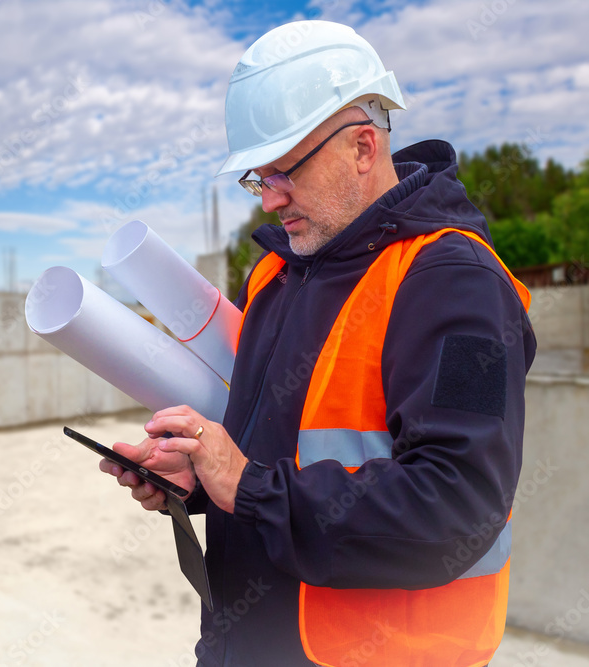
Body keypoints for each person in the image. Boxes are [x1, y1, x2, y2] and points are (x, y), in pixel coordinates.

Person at [101, 20, 536, 667]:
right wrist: (202, 482)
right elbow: (267, 457)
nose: (268, 200)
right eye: (258, 178)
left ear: (363, 146)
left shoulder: (456, 283)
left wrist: (246, 485)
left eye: (284, 172)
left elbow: (458, 502)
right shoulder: (276, 276)